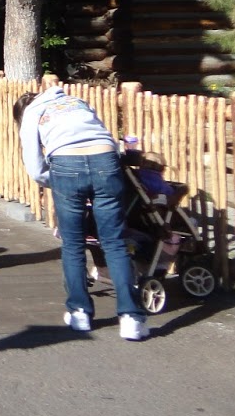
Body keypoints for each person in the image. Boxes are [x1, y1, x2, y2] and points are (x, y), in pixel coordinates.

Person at [15, 86, 149, 341]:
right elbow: (102, 134)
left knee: (73, 244)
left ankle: (79, 313)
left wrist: (53, 180)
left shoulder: (32, 113)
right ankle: (131, 317)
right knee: (114, 243)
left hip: (66, 163)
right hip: (106, 160)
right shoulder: (75, 101)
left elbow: (34, 165)